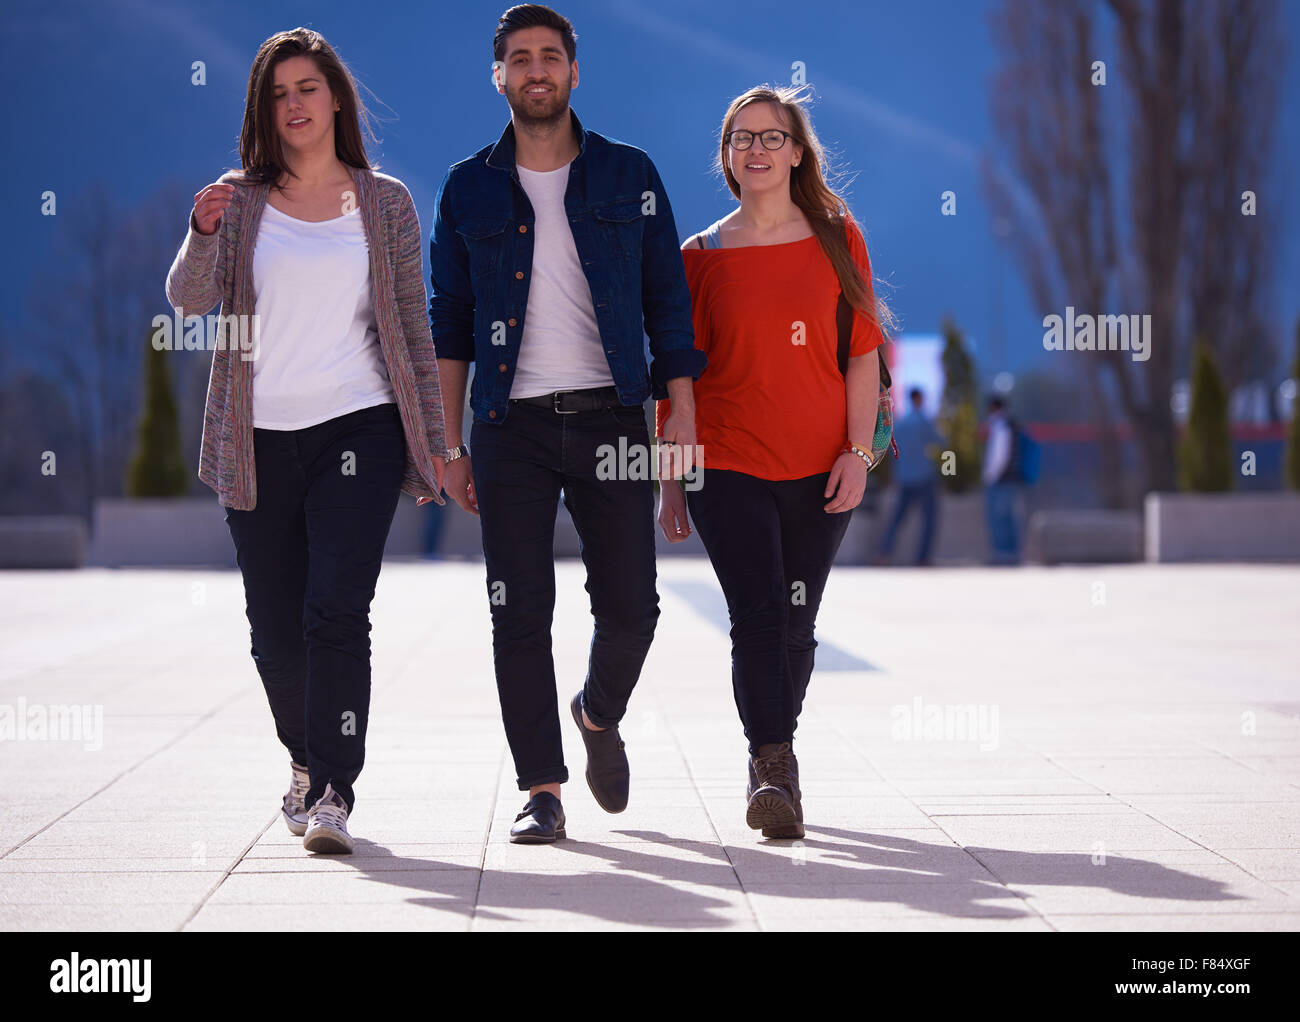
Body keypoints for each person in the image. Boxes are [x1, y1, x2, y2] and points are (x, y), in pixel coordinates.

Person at [165, 28, 447, 855]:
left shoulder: (384, 200)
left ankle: (332, 791)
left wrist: (434, 444)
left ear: (335, 100)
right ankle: (303, 757)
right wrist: (202, 232)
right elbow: (186, 299)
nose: (295, 105)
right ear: (265, 109)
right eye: (279, 93)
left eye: (308, 89)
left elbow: (412, 326)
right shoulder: (239, 199)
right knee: (274, 631)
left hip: (359, 428)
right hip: (256, 437)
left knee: (336, 612)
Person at [428, 5, 705, 843]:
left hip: (614, 416)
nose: (536, 70)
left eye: (551, 56)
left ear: (575, 72)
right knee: (517, 609)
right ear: (500, 76)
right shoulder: (467, 186)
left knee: (633, 604)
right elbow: (451, 320)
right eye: (520, 59)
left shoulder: (630, 175)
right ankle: (541, 789)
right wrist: (448, 442)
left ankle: (596, 709)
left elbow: (668, 303)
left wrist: (680, 412)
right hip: (508, 424)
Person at [657, 85, 891, 839]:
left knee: (796, 623)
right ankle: (773, 764)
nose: (756, 150)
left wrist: (859, 453)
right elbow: (678, 382)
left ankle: (773, 752)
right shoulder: (697, 256)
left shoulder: (835, 237)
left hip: (821, 462)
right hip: (726, 461)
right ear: (726, 155)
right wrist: (670, 482)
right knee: (757, 617)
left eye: (771, 137)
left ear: (796, 152)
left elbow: (862, 355)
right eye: (741, 138)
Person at [876, 387, 942, 565]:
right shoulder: (923, 421)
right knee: (929, 520)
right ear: (920, 399)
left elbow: (893, 453)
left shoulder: (900, 423)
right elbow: (941, 442)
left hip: (904, 477)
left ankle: (884, 553)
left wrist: (895, 475)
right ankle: (923, 557)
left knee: (897, 520)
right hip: (924, 477)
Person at [982, 395, 1021, 565]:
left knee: (1000, 518)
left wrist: (991, 476)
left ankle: (1004, 555)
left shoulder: (1002, 427)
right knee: (1008, 517)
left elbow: (1000, 456)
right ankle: (1011, 554)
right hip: (1009, 479)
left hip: (1000, 480)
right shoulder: (1010, 425)